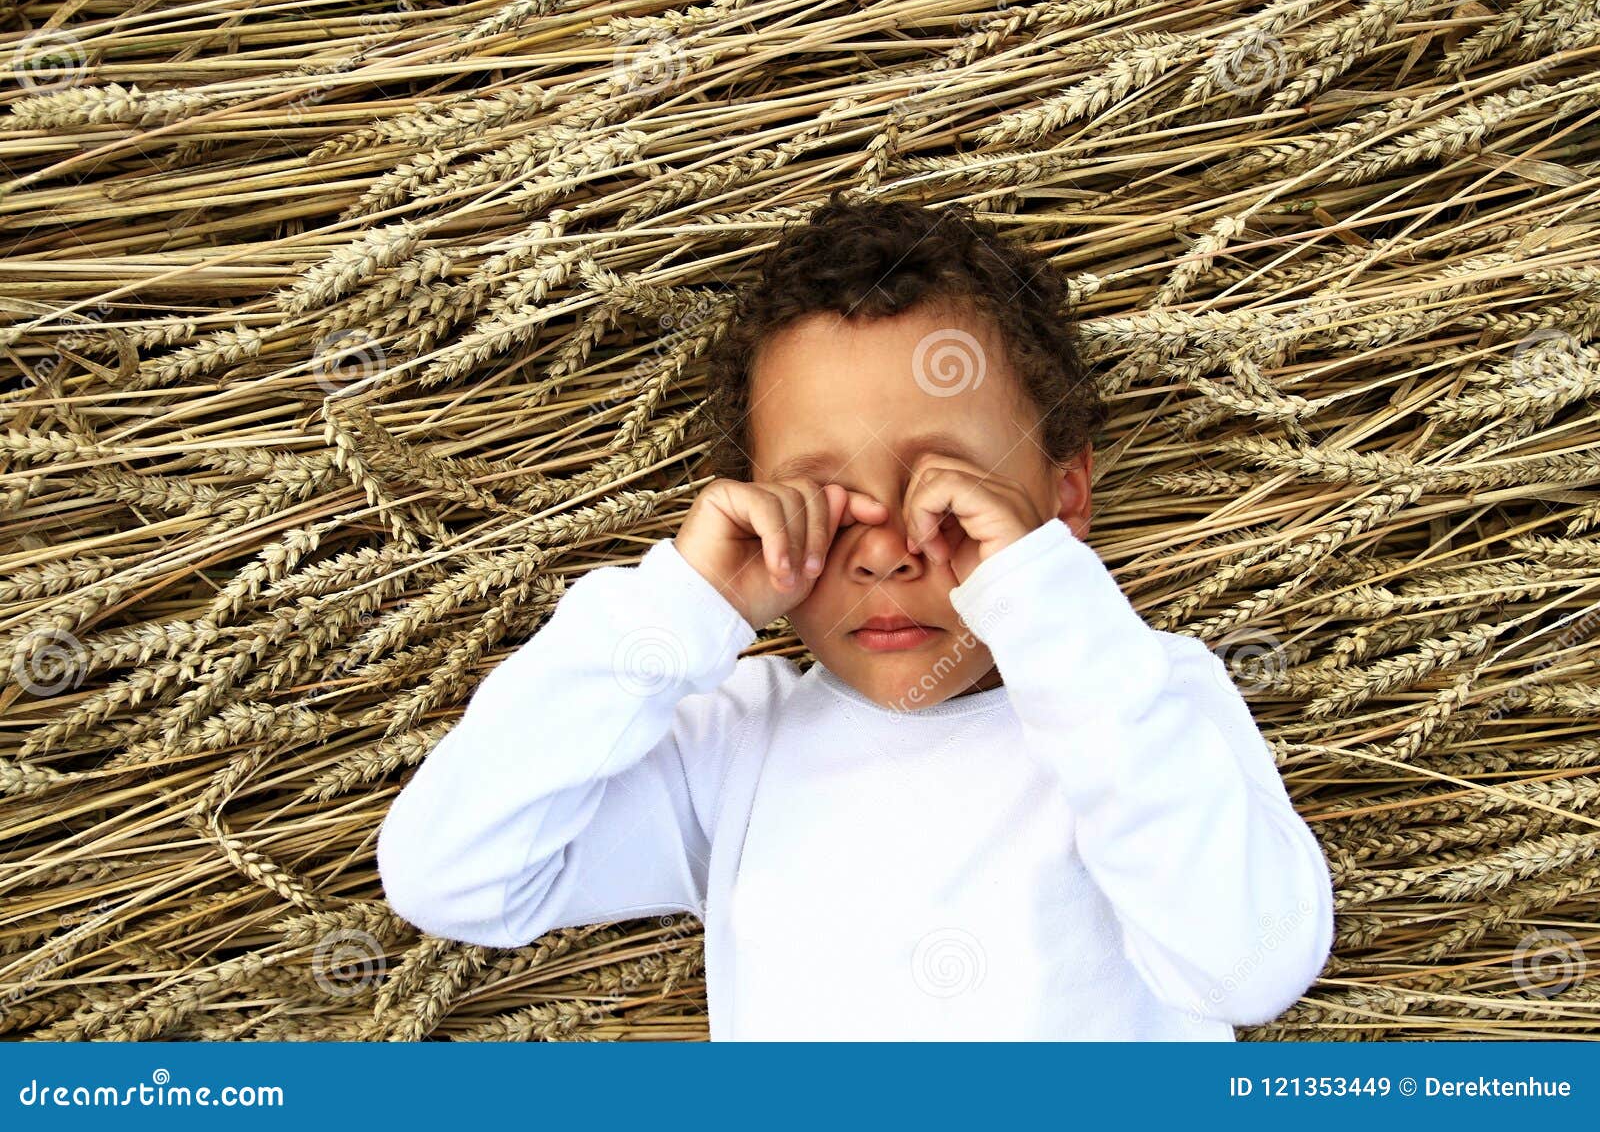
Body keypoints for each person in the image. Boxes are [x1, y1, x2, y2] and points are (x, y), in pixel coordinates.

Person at [376, 191, 1335, 1040]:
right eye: (822, 499)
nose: (884, 547)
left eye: (945, 488)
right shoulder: (735, 743)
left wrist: (1045, 603)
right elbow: (451, 874)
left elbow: (1246, 969)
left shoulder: (1141, 695)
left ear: (1065, 495)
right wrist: (679, 603)